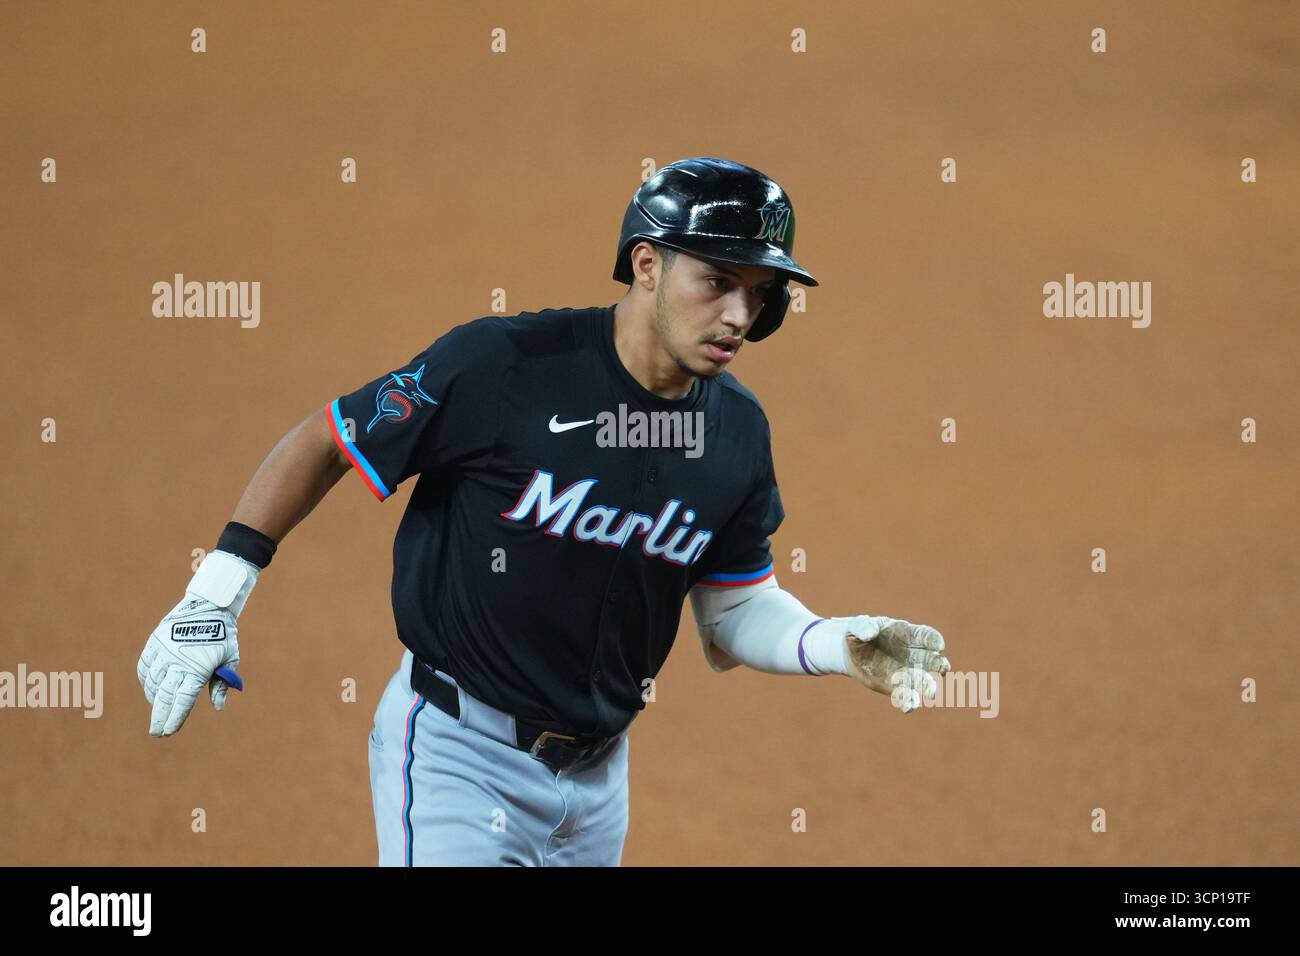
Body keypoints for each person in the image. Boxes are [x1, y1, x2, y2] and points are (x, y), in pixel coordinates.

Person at [137, 156, 951, 866]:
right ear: (646, 265)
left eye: (759, 293)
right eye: (717, 282)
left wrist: (836, 644)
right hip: (460, 755)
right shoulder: (504, 368)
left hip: (598, 788)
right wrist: (216, 591)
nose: (739, 316)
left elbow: (733, 611)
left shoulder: (735, 431)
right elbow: (329, 439)